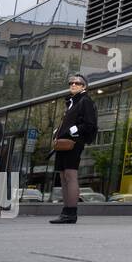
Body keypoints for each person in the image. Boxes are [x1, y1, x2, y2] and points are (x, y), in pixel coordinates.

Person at [50, 75, 97, 225]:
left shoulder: (85, 101)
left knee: (70, 175)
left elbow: (90, 124)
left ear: (84, 87)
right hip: (64, 143)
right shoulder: (71, 102)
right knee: (63, 176)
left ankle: (71, 212)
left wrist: (73, 129)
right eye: (71, 82)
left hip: (74, 143)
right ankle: (66, 212)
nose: (74, 85)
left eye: (78, 83)